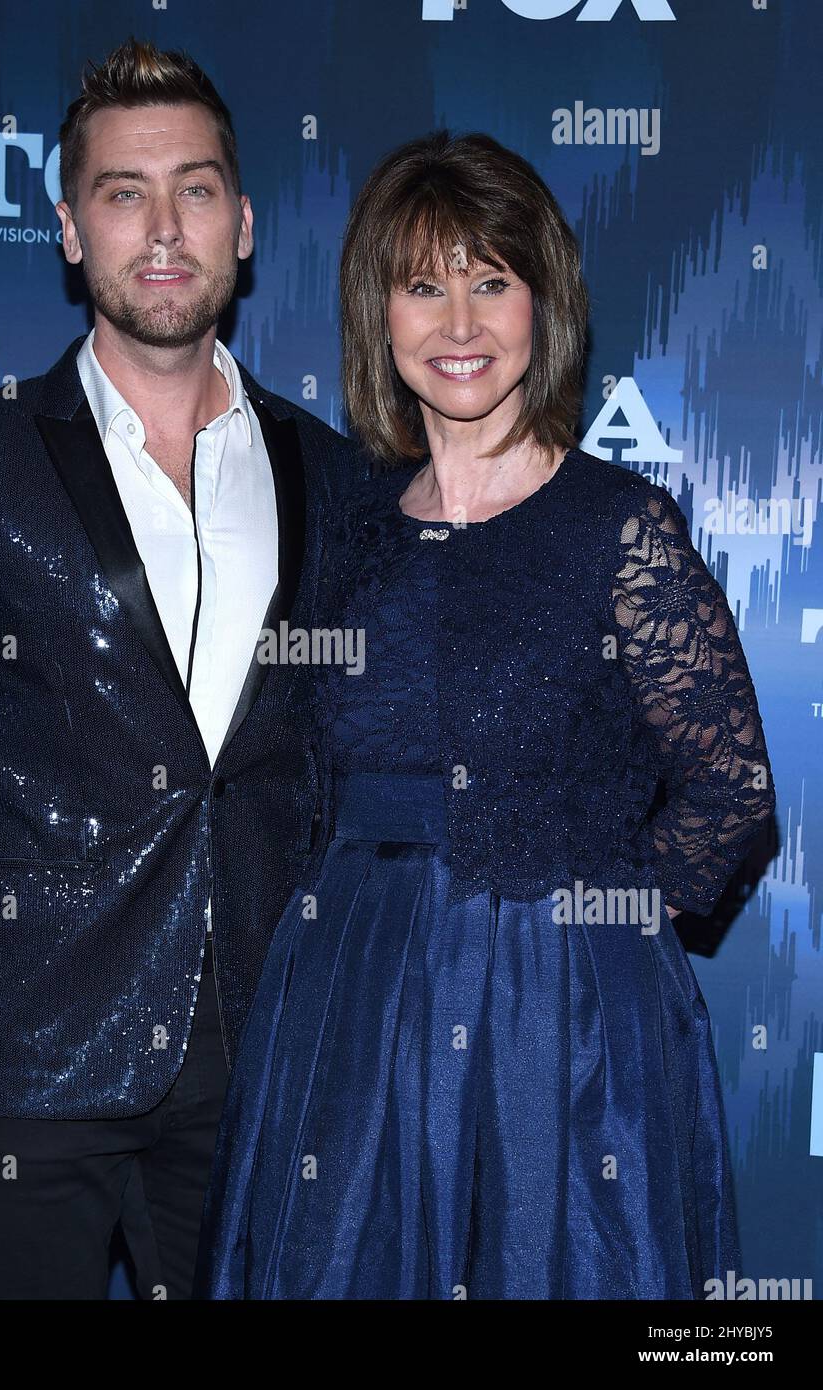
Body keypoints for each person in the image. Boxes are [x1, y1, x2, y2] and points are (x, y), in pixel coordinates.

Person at [193, 130, 776, 1300]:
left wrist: (596, 921)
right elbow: (295, 771)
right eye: (423, 284)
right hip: (352, 1013)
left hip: (559, 1035)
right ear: (381, 315)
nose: (458, 321)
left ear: (540, 302)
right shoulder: (345, 529)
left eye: (490, 279)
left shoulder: (621, 526)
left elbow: (731, 794)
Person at [0, 37, 367, 1300]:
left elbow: (334, 765)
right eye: (125, 195)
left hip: (256, 1052)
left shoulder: (334, 473)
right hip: (28, 1055)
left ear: (241, 223)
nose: (164, 228)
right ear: (72, 229)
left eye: (194, 190)